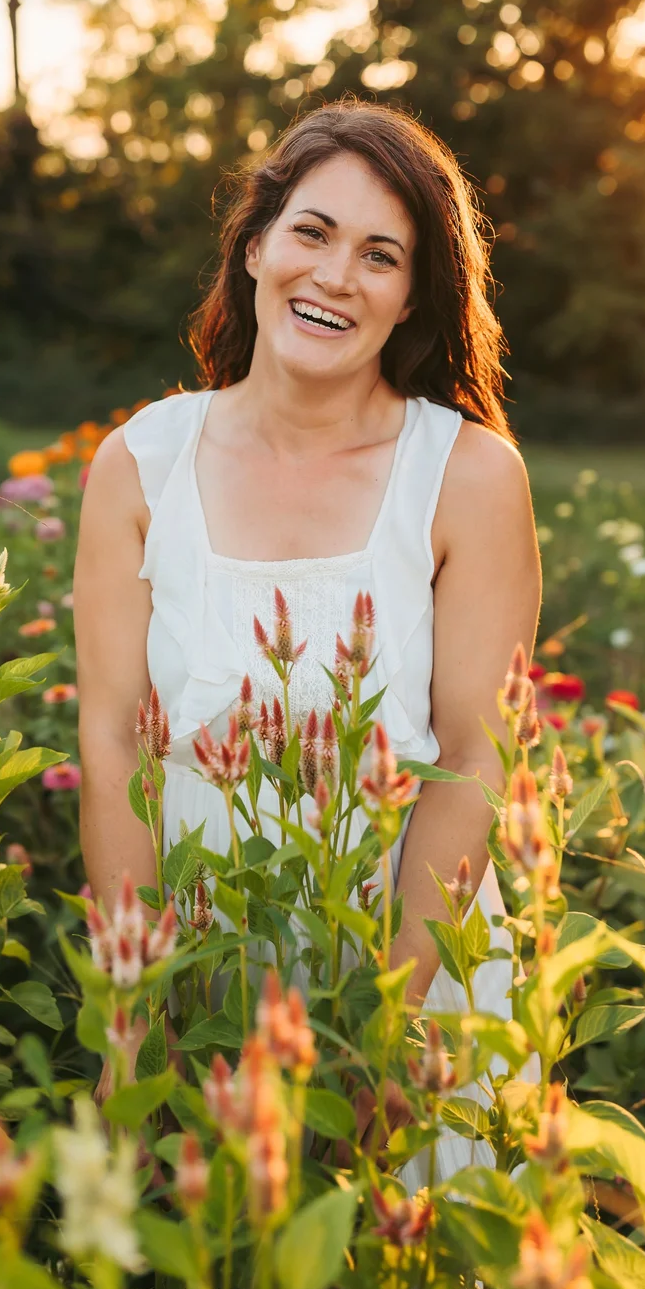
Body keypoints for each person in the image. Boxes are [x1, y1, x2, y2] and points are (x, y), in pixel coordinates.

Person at [74, 98, 542, 1186]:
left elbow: (476, 759)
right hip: (200, 969)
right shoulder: (137, 465)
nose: (336, 276)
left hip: (408, 974)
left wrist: (386, 1030)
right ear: (254, 249)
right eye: (313, 233)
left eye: (382, 255)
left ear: (414, 298)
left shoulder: (467, 477)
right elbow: (111, 744)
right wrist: (141, 1009)